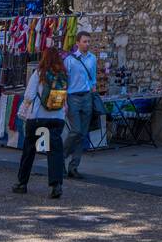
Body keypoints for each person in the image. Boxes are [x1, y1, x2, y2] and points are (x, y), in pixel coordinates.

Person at [12, 46, 68, 199]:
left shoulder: (39, 73)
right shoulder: (63, 74)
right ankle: (56, 185)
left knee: (29, 150)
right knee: (54, 152)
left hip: (38, 117)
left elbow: (29, 96)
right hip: (57, 117)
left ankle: (21, 183)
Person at [62, 31, 98, 180]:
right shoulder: (70, 60)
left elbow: (93, 78)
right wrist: (64, 101)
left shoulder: (92, 58)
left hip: (87, 97)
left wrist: (93, 89)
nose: (87, 44)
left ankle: (73, 167)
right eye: (84, 41)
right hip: (73, 97)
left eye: (89, 41)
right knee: (75, 131)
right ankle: (60, 157)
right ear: (77, 43)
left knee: (82, 134)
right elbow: (64, 82)